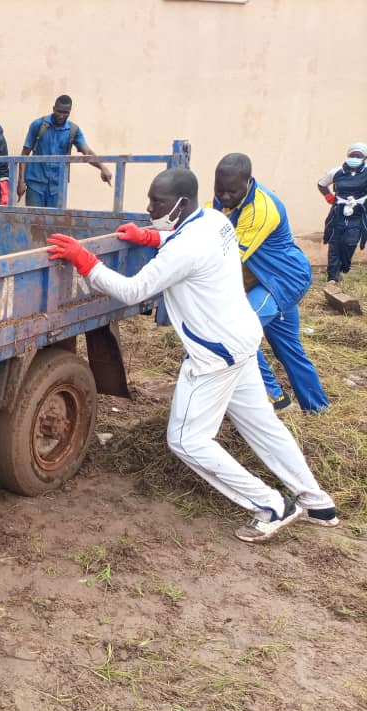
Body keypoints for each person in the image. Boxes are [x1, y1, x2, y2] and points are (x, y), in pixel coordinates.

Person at [46, 167, 338, 543]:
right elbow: (181, 241)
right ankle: (317, 502)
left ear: (181, 203)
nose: (149, 206)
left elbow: (134, 290)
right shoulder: (214, 220)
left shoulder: (186, 247)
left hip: (215, 355)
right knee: (264, 426)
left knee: (186, 440)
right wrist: (151, 236)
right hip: (243, 339)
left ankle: (271, 505)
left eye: (158, 202)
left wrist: (84, 260)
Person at [212, 153, 329, 413]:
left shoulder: (261, 209)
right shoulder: (221, 201)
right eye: (219, 189)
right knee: (289, 348)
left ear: (248, 182)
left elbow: (226, 256)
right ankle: (318, 408)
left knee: (238, 331)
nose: (224, 197)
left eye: (231, 191)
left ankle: (275, 398)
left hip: (280, 280)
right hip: (264, 281)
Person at [17, 94, 112, 207]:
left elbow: (87, 152)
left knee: (56, 222)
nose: (61, 116)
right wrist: (21, 181)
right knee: (35, 222)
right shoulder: (38, 125)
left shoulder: (73, 130)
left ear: (70, 112)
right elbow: (24, 155)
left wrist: (102, 167)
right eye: (59, 111)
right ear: (53, 109)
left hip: (58, 187)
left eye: (65, 112)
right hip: (35, 184)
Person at [318, 142, 367, 284]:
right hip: (338, 212)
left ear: (364, 158)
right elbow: (321, 184)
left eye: (359, 156)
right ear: (348, 155)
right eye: (353, 155)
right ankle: (332, 276)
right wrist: (329, 197)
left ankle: (343, 267)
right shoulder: (337, 172)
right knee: (335, 242)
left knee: (350, 243)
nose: (355, 158)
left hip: (358, 213)